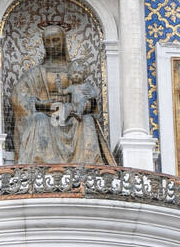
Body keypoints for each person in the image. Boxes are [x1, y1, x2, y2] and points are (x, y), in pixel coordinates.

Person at [10, 26, 114, 165]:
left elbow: (89, 96)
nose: (52, 45)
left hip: (72, 114)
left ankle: (89, 164)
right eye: (48, 41)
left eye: (56, 40)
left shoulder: (75, 70)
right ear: (44, 44)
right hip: (47, 115)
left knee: (88, 120)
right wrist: (41, 104)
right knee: (39, 119)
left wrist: (87, 104)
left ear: (63, 42)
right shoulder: (34, 73)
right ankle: (42, 164)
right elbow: (17, 97)